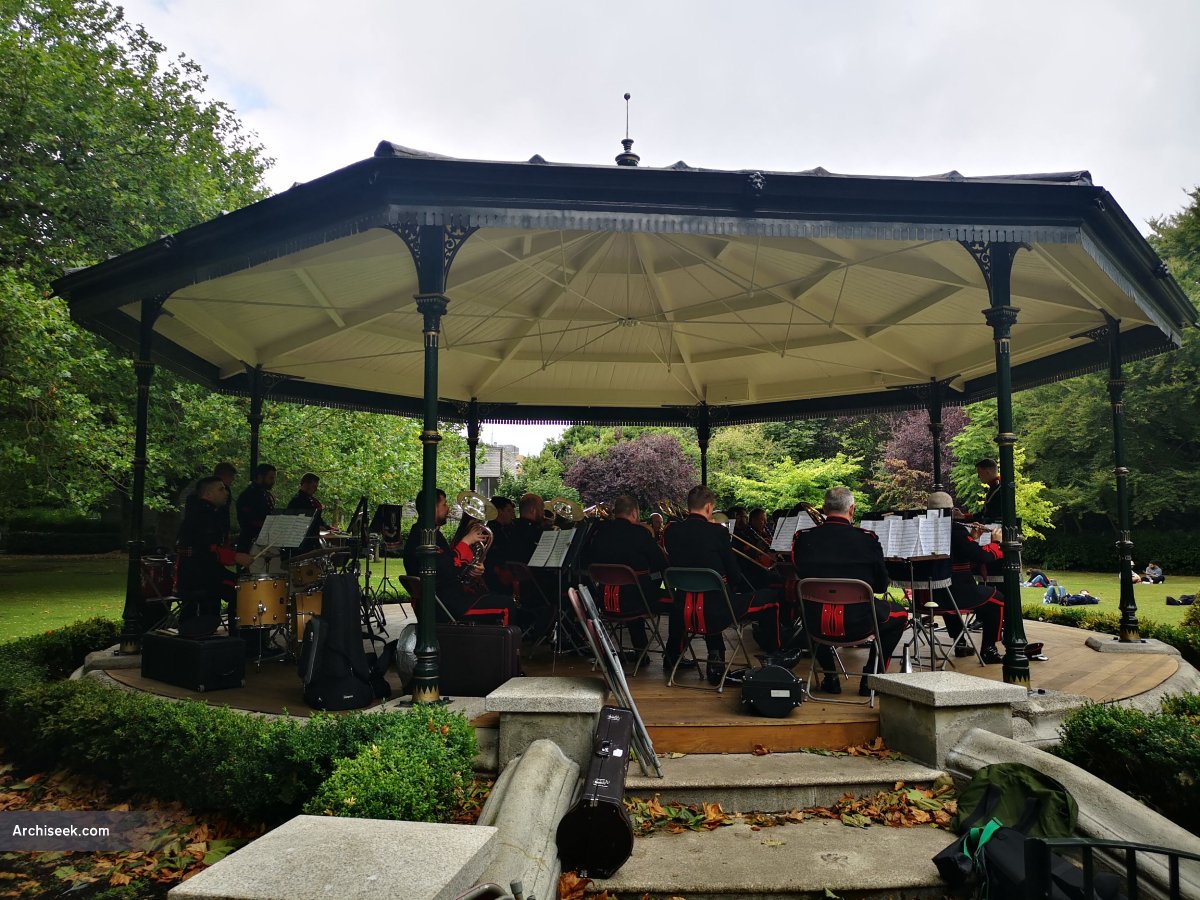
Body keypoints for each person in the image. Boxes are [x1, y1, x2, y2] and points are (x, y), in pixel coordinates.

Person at [791, 486, 909, 696]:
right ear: (852, 510)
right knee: (900, 616)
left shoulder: (802, 537)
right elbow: (881, 587)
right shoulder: (867, 539)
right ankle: (870, 679)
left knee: (813, 609)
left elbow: (798, 574)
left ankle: (830, 676)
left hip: (816, 623)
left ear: (825, 509)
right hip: (859, 623)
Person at [664, 484, 782, 685]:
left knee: (710, 595)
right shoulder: (717, 533)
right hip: (717, 612)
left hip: (682, 610)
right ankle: (775, 660)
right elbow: (735, 576)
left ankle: (707, 658)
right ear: (709, 507)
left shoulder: (671, 531)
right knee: (771, 598)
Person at [403, 488, 529, 627]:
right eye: (444, 505)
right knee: (507, 605)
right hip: (446, 604)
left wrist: (470, 570)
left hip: (445, 599)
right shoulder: (425, 535)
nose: (448, 509)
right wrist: (466, 541)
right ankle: (503, 648)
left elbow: (444, 567)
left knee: (495, 598)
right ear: (432, 508)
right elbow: (447, 568)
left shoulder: (427, 532)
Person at [583, 494, 669, 668]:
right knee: (665, 590)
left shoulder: (599, 533)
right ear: (635, 513)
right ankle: (672, 656)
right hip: (637, 602)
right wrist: (658, 580)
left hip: (605, 602)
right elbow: (661, 564)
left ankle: (638, 652)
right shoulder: (640, 534)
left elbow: (588, 562)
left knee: (632, 586)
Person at [927, 492, 1005, 665]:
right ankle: (989, 649)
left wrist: (972, 538)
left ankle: (960, 642)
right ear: (951, 509)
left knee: (946, 587)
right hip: (954, 594)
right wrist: (996, 542)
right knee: (997, 598)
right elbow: (981, 557)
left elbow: (960, 553)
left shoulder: (924, 528)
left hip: (928, 597)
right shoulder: (955, 529)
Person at [175, 476, 253, 632]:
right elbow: (207, 549)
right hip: (199, 576)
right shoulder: (203, 516)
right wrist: (236, 557)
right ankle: (241, 641)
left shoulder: (204, 513)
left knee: (244, 586)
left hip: (202, 572)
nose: (226, 493)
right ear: (208, 494)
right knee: (245, 590)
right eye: (221, 489)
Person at [235, 463, 276, 552]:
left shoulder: (264, 494)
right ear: (260, 477)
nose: (273, 481)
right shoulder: (248, 495)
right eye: (271, 478)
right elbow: (247, 521)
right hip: (250, 542)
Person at [286, 472, 325, 553]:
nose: (316, 489)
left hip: (311, 541)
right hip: (302, 545)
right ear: (306, 485)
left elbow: (317, 519)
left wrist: (327, 527)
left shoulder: (310, 500)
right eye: (314, 486)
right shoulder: (298, 501)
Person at [974, 458, 1002, 523]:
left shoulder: (1000, 490)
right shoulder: (994, 487)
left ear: (987, 472)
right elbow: (984, 513)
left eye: (979, 473)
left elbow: (991, 516)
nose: (978, 477)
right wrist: (964, 516)